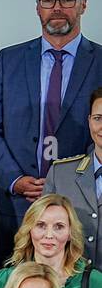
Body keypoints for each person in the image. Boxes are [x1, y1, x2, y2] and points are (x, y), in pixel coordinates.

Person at [0, 0, 102, 258]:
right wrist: (15, 178)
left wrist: (67, 180)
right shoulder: (9, 59)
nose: (57, 8)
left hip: (80, 203)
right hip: (14, 202)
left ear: (83, 5)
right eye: (48, 1)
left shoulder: (100, 61)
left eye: (67, 0)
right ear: (37, 8)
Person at [44, 85, 102, 265]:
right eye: (98, 118)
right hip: (69, 286)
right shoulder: (60, 174)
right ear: (89, 121)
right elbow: (41, 236)